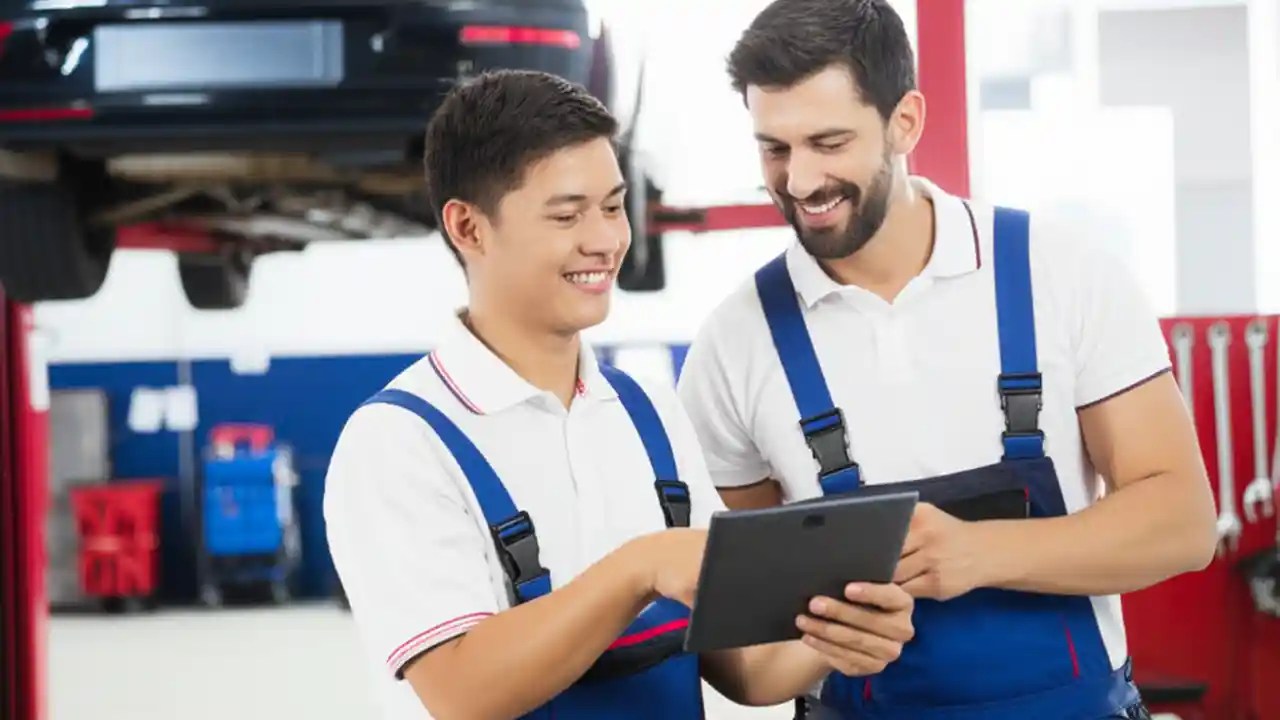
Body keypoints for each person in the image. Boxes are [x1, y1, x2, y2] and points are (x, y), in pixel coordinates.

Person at [675, 1, 1219, 718]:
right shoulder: (733, 346)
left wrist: (980, 554)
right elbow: (741, 660)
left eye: (829, 142)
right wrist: (833, 638)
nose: (800, 181)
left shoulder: (1062, 274)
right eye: (774, 148)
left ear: (905, 121)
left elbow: (1182, 524)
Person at [323, 68, 917, 720]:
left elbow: (743, 667)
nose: (605, 239)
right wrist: (641, 566)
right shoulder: (399, 444)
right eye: (567, 214)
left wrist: (845, 632)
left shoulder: (650, 417)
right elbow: (463, 692)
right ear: (468, 228)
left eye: (611, 206)